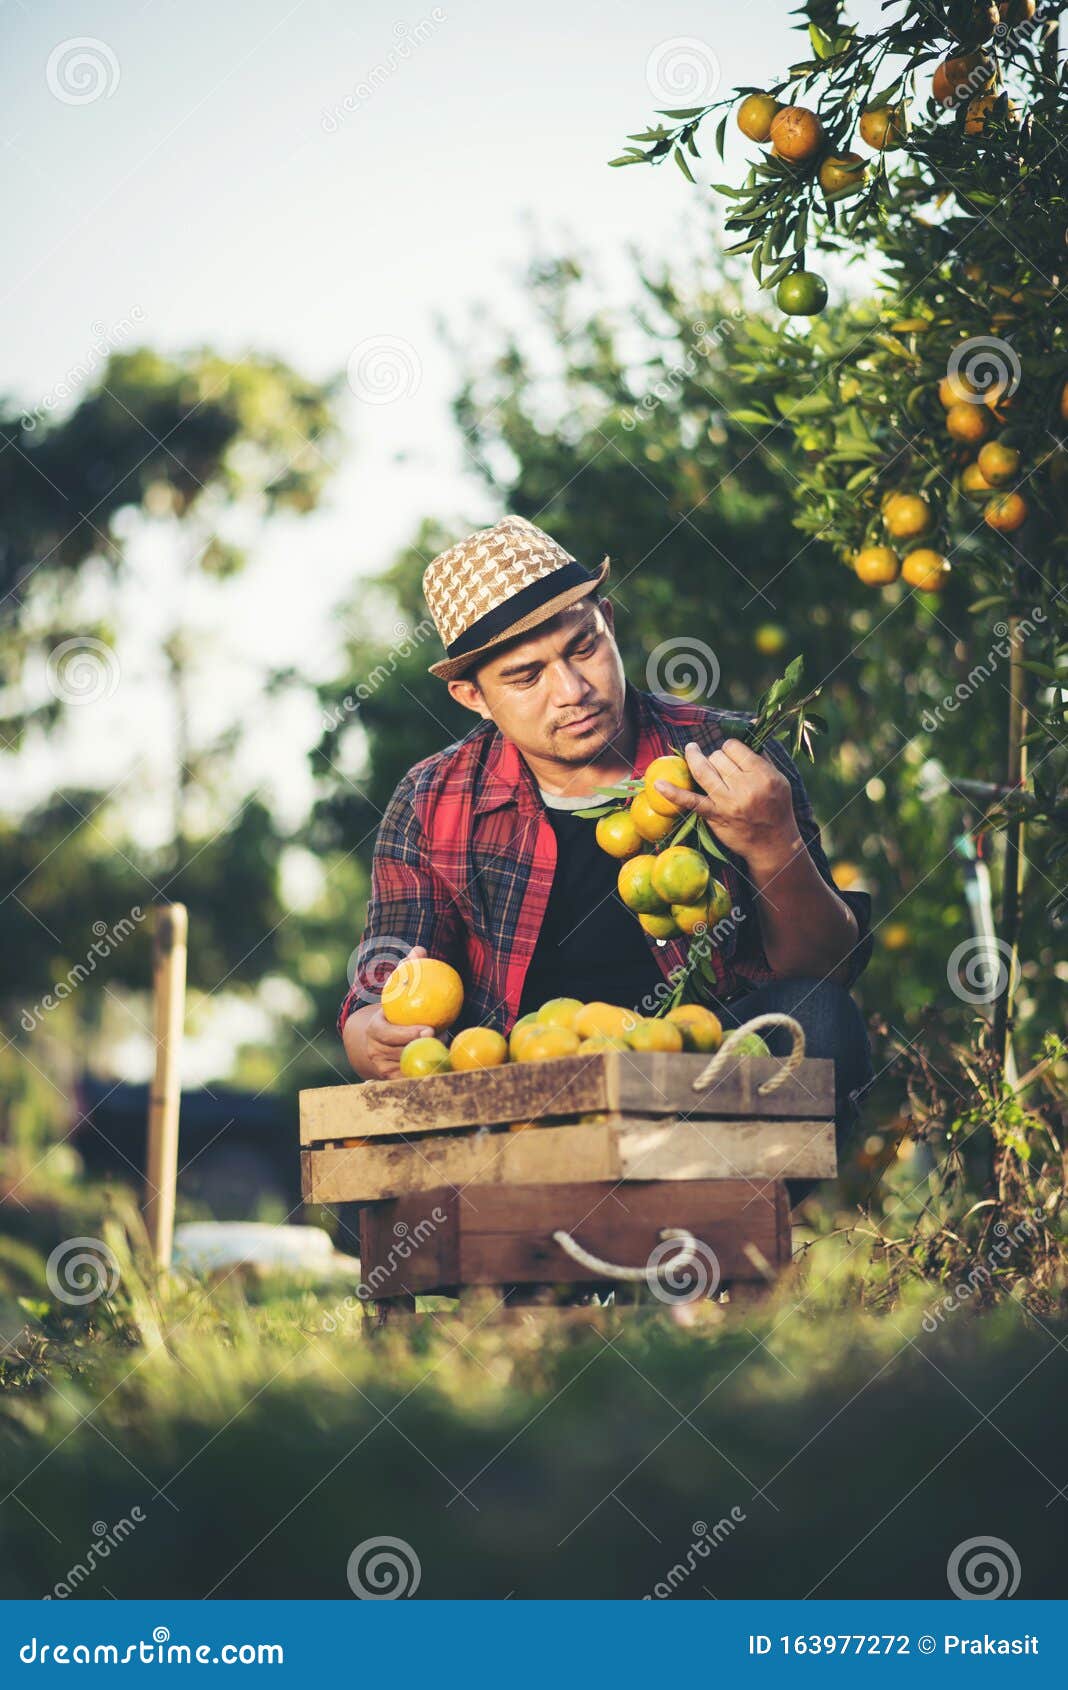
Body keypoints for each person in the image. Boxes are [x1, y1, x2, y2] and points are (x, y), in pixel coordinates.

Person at [339, 515, 872, 1180]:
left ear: (609, 623)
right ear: (473, 696)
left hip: (700, 1084)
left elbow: (824, 969)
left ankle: (711, 1241)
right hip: (524, 1092)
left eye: (583, 649)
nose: (572, 691)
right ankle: (543, 1261)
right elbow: (388, 980)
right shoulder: (431, 801)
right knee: (361, 1153)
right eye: (527, 676)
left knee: (820, 1021)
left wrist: (774, 840)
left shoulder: (728, 759)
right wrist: (371, 1035)